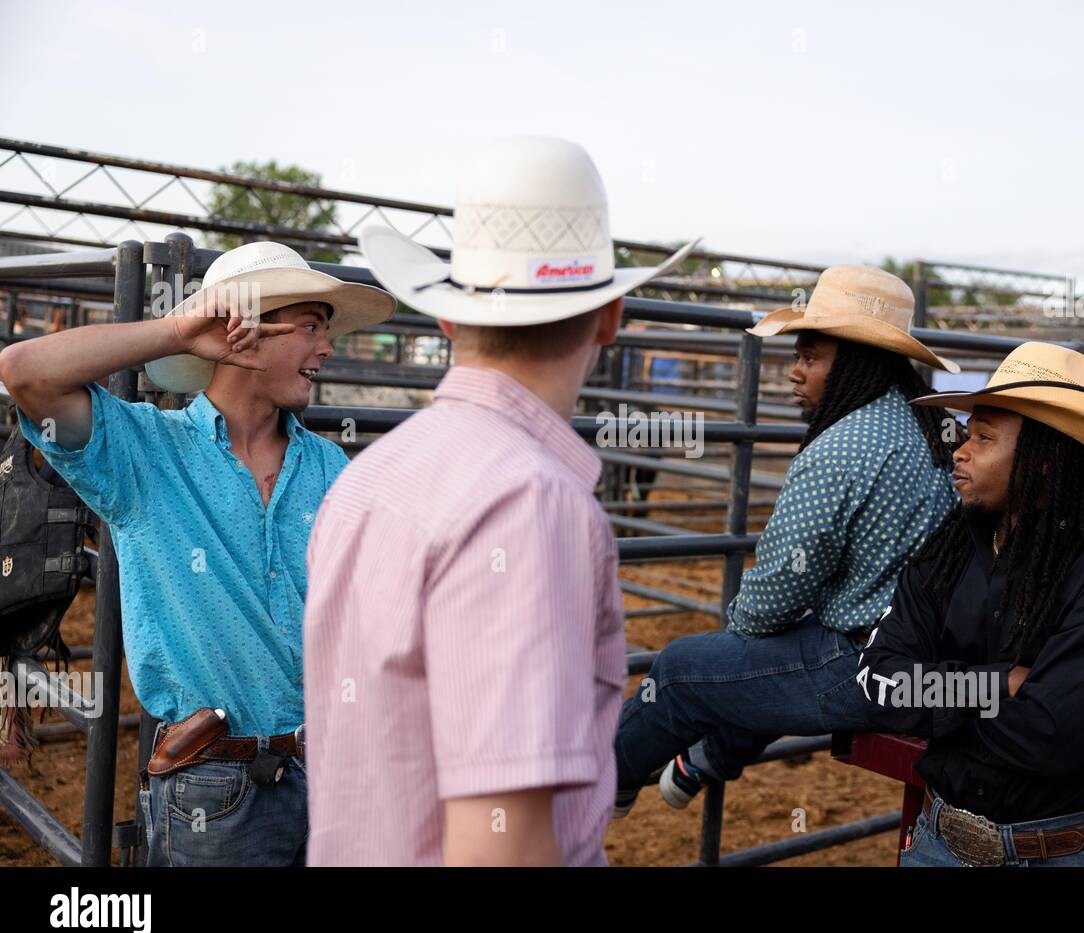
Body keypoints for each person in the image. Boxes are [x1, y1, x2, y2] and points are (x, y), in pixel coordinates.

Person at [302, 135, 698, 866]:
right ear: (610, 317)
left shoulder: (366, 475)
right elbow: (503, 847)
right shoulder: (530, 501)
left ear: (448, 317)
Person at [0, 241, 394, 865]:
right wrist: (180, 330)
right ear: (248, 330)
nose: (327, 347)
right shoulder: (146, 452)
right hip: (211, 791)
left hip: (332, 776)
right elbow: (24, 371)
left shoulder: (327, 466)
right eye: (313, 326)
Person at [613, 264, 961, 815]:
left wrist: (741, 642)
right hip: (939, 656)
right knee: (777, 650)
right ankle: (702, 761)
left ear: (854, 363)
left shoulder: (839, 449)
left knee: (683, 669)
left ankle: (603, 787)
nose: (794, 373)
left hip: (869, 666)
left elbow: (774, 594)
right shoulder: (931, 428)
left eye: (809, 357)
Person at [858, 341, 1084, 867]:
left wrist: (938, 694)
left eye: (984, 437)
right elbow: (878, 684)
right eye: (967, 434)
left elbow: (1049, 737)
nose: (960, 451)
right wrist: (1000, 682)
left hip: (1053, 853)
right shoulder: (948, 550)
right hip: (937, 841)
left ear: (1046, 459)